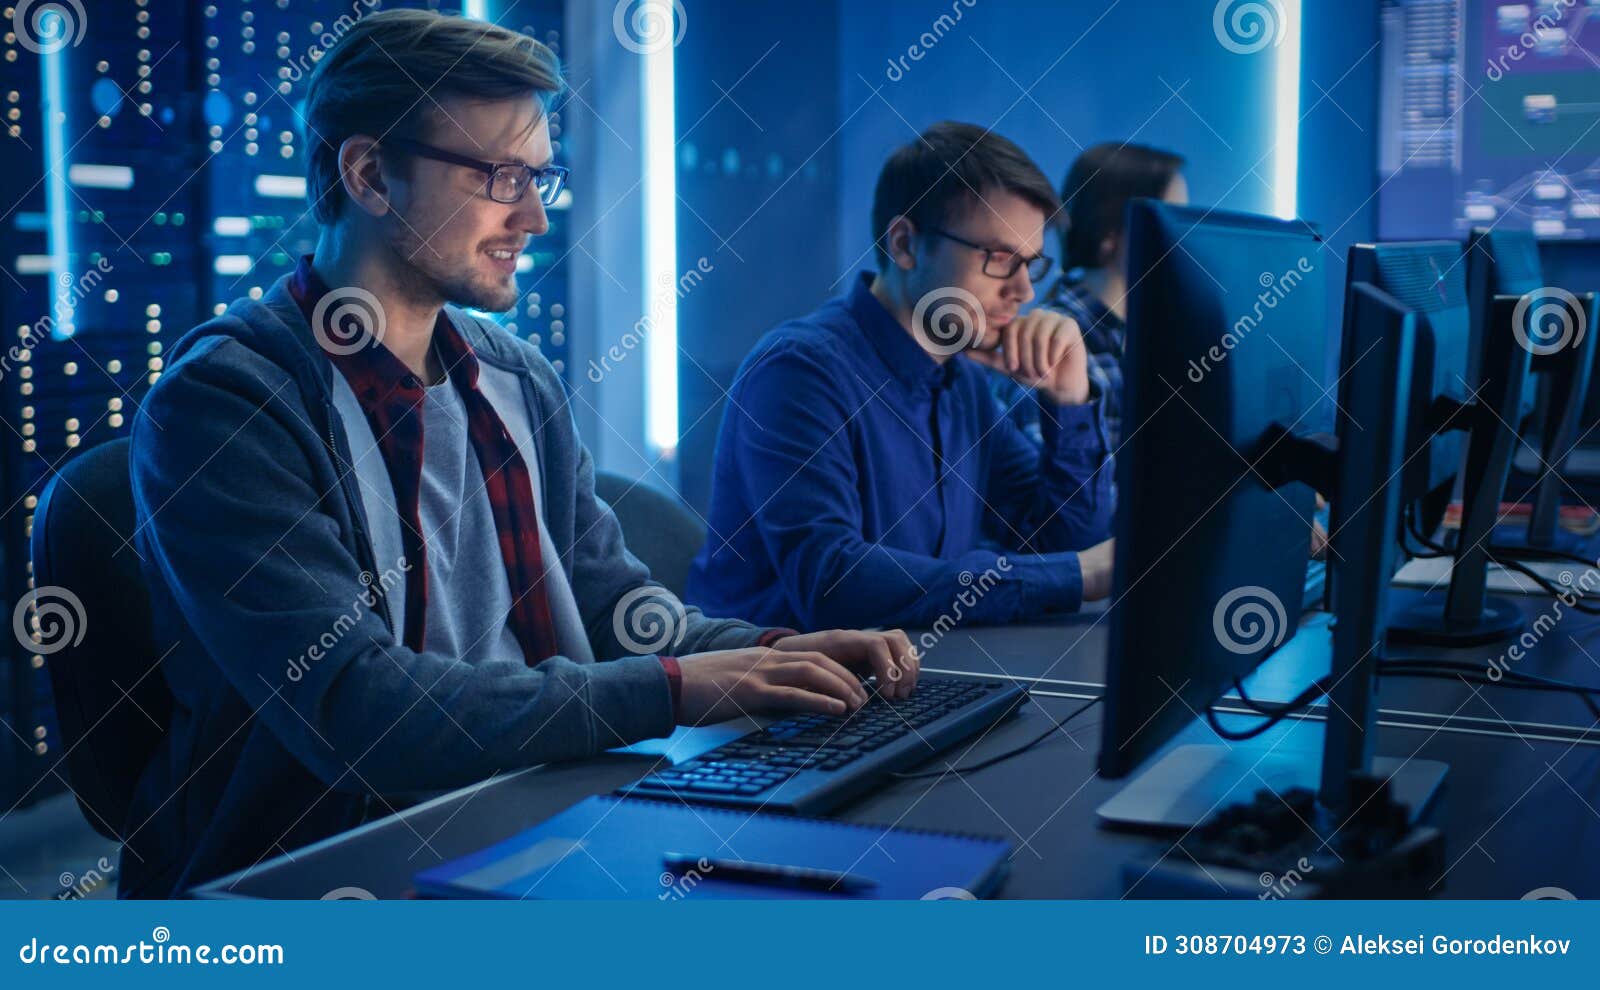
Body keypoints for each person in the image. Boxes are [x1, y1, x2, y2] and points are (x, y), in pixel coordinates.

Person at [124, 10, 916, 898]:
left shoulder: (513, 376)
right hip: (336, 874)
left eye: (541, 177)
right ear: (370, 172)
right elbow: (357, 710)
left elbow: (620, 614)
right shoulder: (228, 404)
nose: (536, 215)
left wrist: (779, 654)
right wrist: (677, 690)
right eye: (502, 176)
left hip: (547, 815)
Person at [687, 122, 1116, 633]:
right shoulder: (797, 372)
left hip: (915, 679)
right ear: (906, 244)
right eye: (1001, 261)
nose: (1024, 291)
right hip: (771, 700)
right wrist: (1077, 575)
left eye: (1032, 265)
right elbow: (834, 584)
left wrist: (1070, 397)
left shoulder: (963, 383)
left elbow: (1066, 543)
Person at [993, 142, 1187, 446]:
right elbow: (1061, 489)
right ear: (1110, 233)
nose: (1184, 241)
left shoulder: (1149, 335)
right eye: (1172, 222)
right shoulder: (1049, 345)